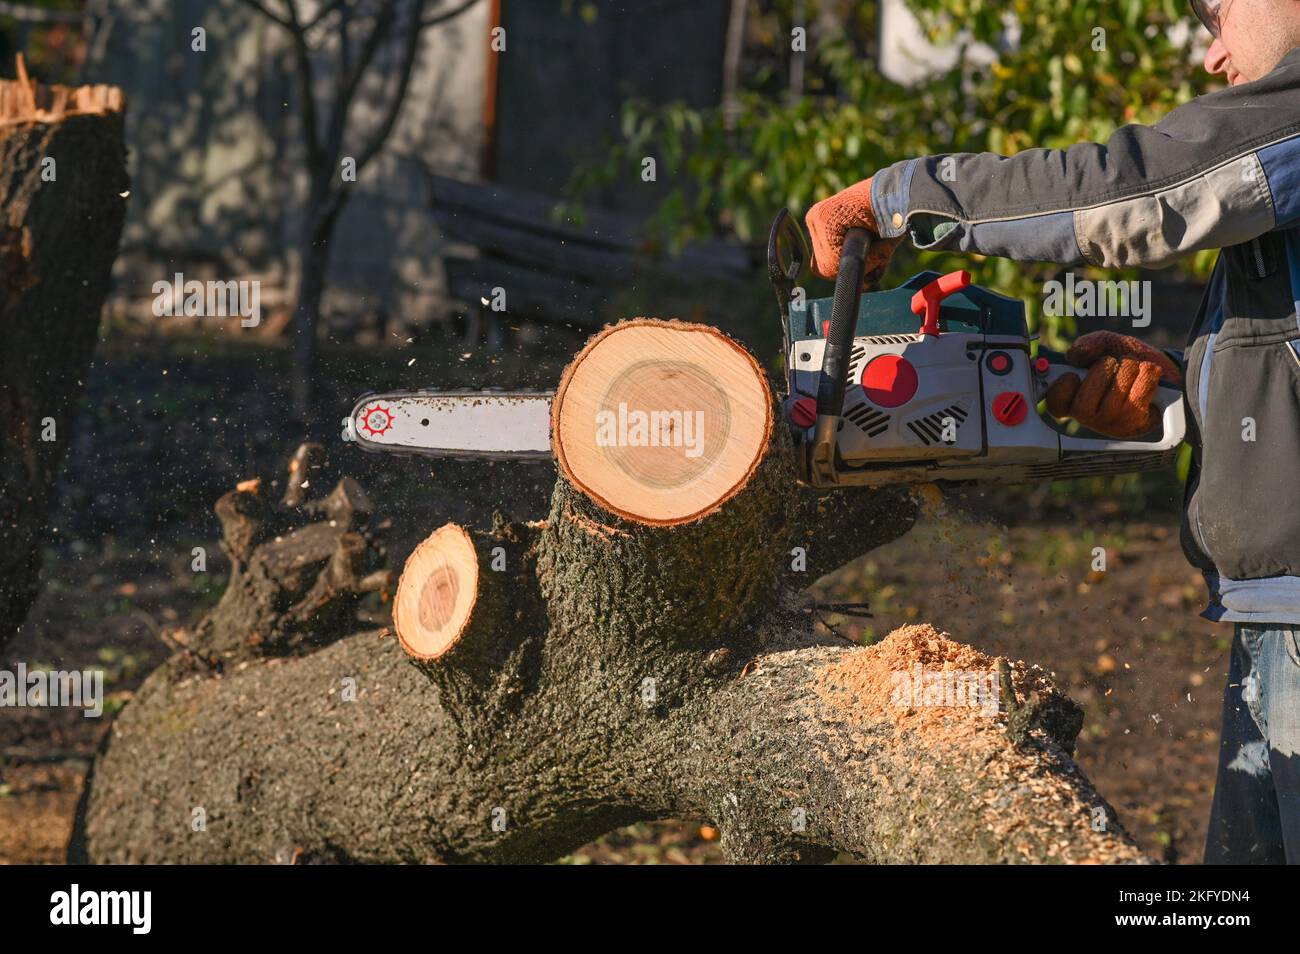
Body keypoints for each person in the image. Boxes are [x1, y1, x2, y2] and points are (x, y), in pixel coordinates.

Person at [805, 0, 1300, 863]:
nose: (1214, 56)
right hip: (1275, 607)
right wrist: (1179, 396)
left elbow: (1136, 191)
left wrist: (905, 198)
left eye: (1217, 15)